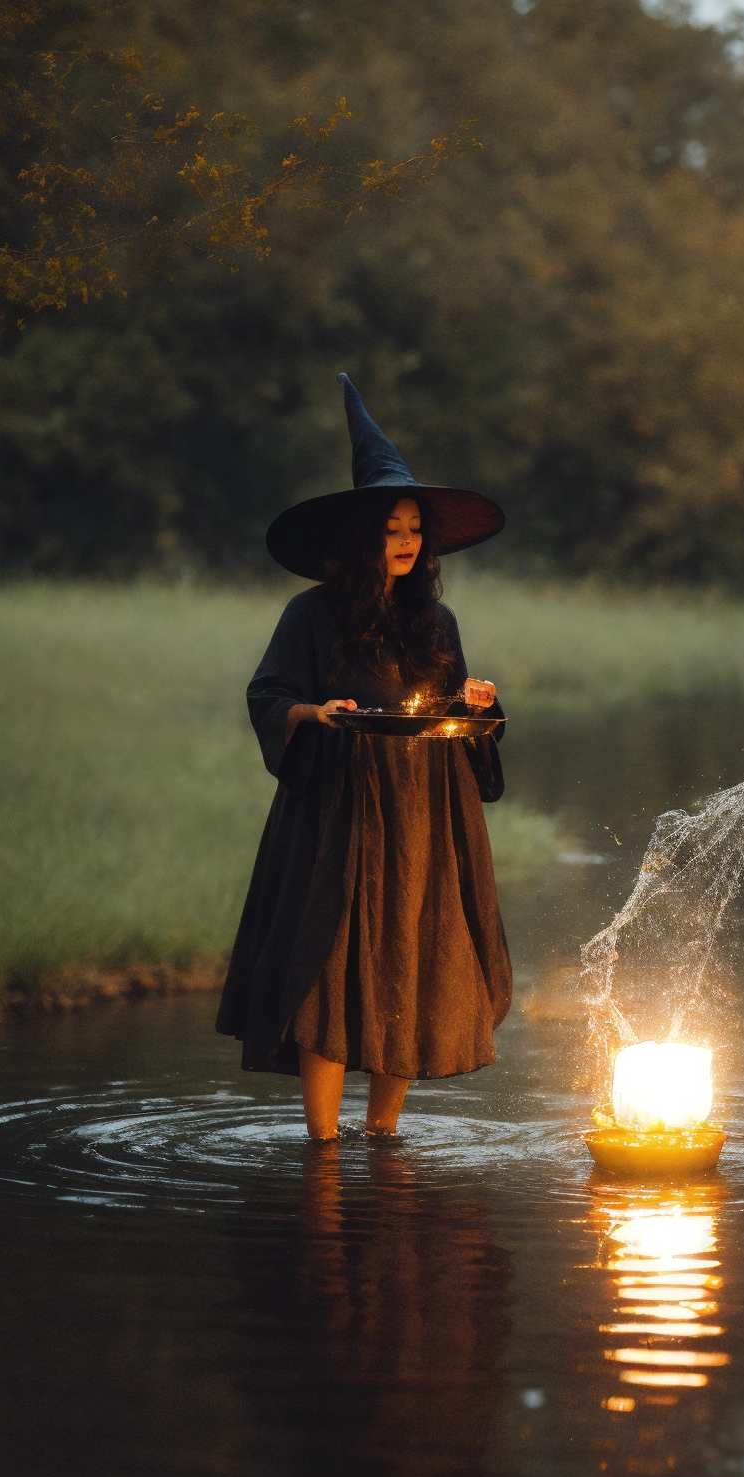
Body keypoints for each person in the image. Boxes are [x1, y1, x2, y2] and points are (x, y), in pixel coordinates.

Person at [218, 375, 515, 1139]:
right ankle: (322, 1144)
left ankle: (382, 1134)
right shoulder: (310, 615)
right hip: (341, 815)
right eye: (391, 528)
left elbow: (443, 709)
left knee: (412, 968)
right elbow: (268, 695)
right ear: (360, 539)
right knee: (328, 971)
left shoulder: (435, 622)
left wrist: (475, 707)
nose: (408, 540)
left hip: (425, 818)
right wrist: (313, 713)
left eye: (415, 527)